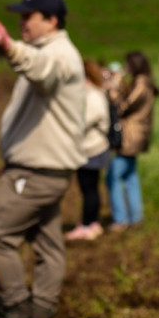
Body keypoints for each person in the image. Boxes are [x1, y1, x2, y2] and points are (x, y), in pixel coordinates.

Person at [0, 0, 85, 318]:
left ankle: (14, 307)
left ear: (52, 20)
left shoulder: (60, 55)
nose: (23, 22)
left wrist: (9, 47)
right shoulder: (46, 50)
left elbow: (42, 71)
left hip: (38, 170)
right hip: (39, 167)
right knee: (47, 242)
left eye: (29, 16)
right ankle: (41, 312)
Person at [105, 51, 159, 230]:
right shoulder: (142, 82)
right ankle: (136, 217)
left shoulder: (141, 84)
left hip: (131, 136)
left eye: (127, 64)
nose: (125, 68)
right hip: (136, 135)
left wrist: (111, 90)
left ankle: (121, 219)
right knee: (130, 176)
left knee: (113, 176)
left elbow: (123, 107)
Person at [65, 59, 111, 242]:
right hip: (89, 149)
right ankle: (90, 223)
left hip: (93, 149)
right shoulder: (90, 94)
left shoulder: (93, 96)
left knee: (89, 189)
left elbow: (84, 122)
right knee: (88, 188)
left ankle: (89, 224)